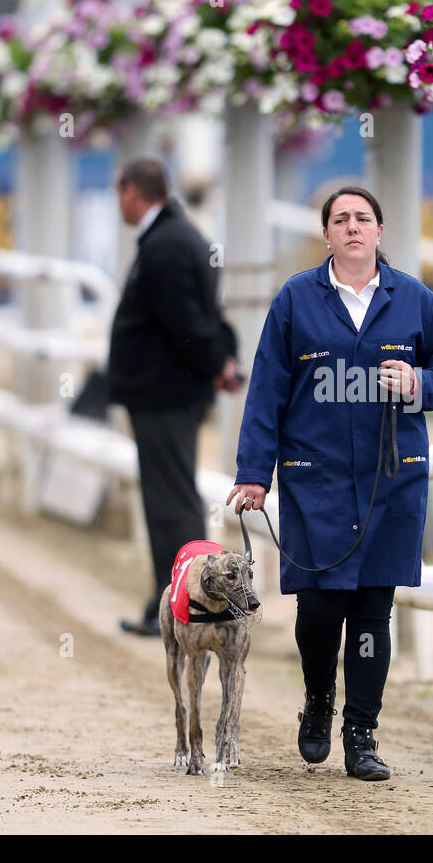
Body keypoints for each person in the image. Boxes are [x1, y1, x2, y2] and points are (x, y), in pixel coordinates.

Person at [226, 186, 433, 780]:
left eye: (363, 218)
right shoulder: (294, 300)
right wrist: (255, 474)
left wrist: (416, 382)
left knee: (372, 612)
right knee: (318, 609)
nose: (353, 227)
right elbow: (266, 391)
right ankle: (317, 702)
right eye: (341, 220)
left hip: (391, 483)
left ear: (380, 231)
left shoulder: (414, 300)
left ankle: (361, 735)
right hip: (316, 480)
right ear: (327, 234)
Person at [109, 158, 243, 638]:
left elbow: (186, 324)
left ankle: (185, 609)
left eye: (118, 193)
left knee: (170, 502)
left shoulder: (166, 244)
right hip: (168, 393)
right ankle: (171, 604)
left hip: (164, 395)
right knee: (172, 497)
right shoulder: (181, 236)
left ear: (131, 191)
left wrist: (216, 363)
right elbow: (204, 317)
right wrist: (222, 360)